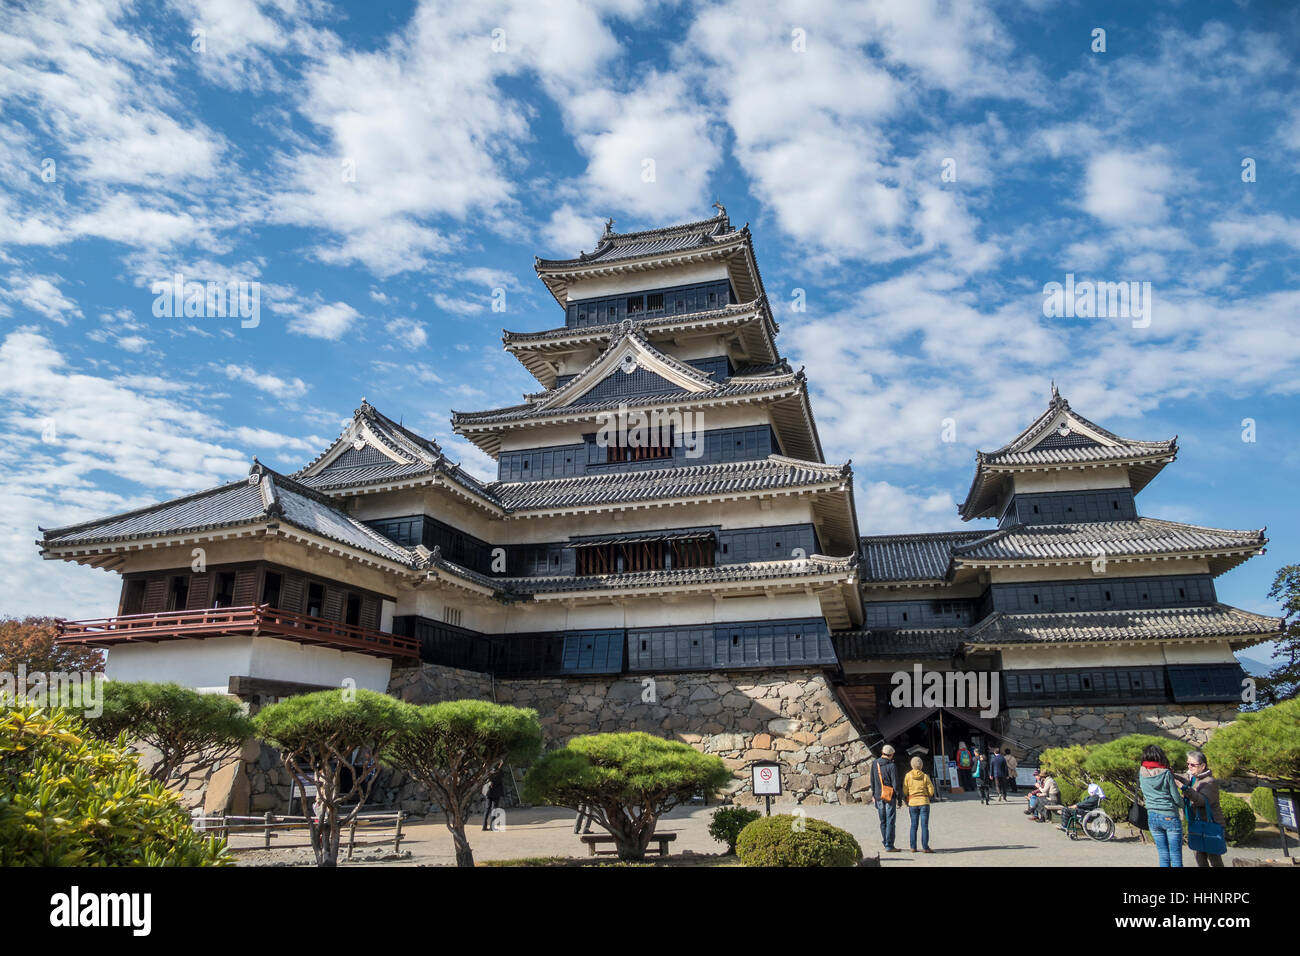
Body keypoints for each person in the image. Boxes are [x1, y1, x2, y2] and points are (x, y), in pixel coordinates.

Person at [1138, 744, 1185, 867]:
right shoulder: (1165, 773)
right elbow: (1175, 797)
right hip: (1169, 815)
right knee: (1175, 856)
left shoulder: (1141, 772)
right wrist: (1183, 803)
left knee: (1163, 855)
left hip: (1152, 816)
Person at [1178, 750, 1225, 867]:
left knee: (1214, 858)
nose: (1189, 767)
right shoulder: (1192, 777)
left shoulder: (1210, 782)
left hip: (1211, 824)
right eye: (1188, 764)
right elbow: (1183, 777)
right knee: (1199, 858)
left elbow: (1202, 801)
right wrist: (1169, 772)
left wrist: (1184, 788)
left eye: (1193, 765)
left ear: (1203, 766)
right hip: (1196, 823)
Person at [870, 744, 903, 853]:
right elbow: (895, 783)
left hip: (878, 796)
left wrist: (873, 794)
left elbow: (872, 779)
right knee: (890, 821)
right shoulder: (891, 766)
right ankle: (889, 845)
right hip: (889, 796)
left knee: (883, 820)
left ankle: (885, 841)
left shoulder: (875, 763)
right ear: (891, 754)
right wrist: (899, 798)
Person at [903, 756, 936, 853]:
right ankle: (925, 847)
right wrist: (927, 795)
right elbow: (931, 790)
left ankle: (913, 847)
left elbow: (905, 790)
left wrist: (909, 795)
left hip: (912, 802)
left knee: (913, 825)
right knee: (924, 825)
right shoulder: (925, 776)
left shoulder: (908, 776)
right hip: (924, 802)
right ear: (921, 765)